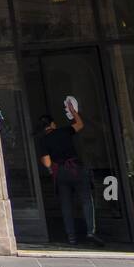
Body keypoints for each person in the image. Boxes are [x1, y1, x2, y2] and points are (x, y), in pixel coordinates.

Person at [36, 105, 104, 247]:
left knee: (66, 204)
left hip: (61, 173)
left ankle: (71, 236)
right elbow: (79, 125)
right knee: (86, 199)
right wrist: (73, 112)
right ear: (53, 124)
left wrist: (50, 169)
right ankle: (90, 232)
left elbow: (47, 162)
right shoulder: (63, 131)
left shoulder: (43, 141)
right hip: (76, 168)